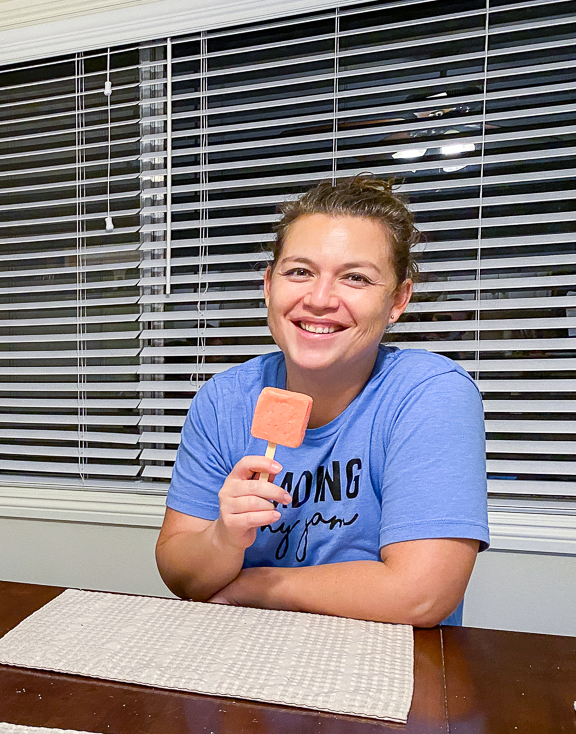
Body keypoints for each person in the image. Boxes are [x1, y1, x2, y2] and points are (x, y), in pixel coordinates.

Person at [156, 175, 489, 627]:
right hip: (244, 647)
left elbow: (421, 596)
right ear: (268, 285)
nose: (319, 299)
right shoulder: (223, 400)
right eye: (299, 271)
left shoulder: (429, 394)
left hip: (391, 658)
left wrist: (255, 587)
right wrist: (223, 539)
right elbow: (179, 572)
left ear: (398, 300)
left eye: (355, 278)